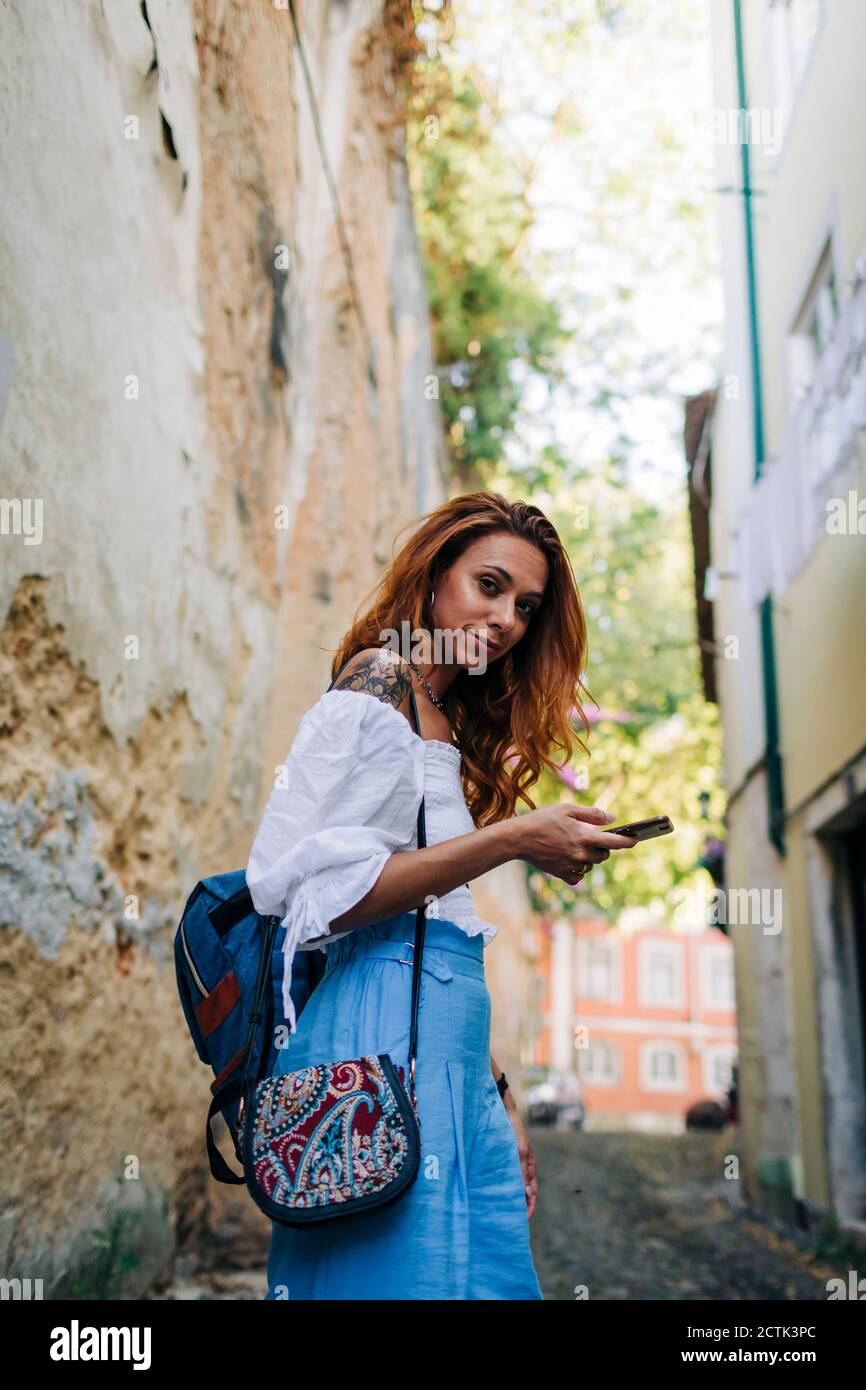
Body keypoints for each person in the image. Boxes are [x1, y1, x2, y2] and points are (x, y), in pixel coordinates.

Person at [245, 490, 638, 1299]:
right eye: (488, 585)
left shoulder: (444, 721)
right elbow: (318, 898)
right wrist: (517, 838)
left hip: (450, 1050)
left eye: (525, 606)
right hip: (375, 1035)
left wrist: (498, 1099)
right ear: (431, 581)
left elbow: (436, 932)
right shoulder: (379, 683)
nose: (506, 619)